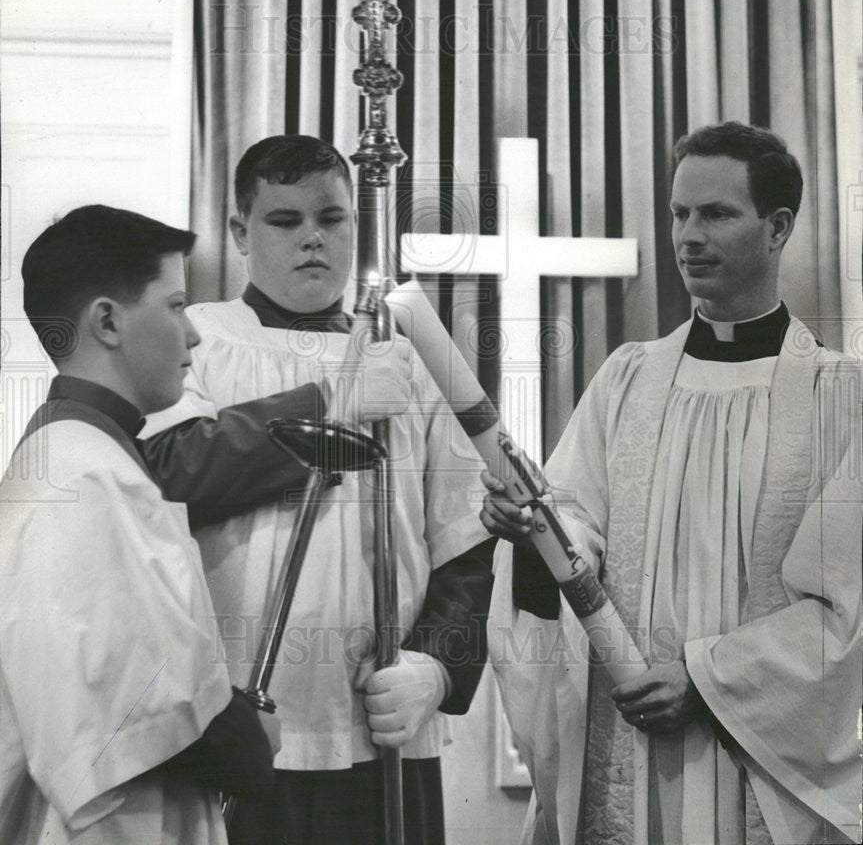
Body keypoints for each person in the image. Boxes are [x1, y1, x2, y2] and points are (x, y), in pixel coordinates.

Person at [482, 122, 862, 845]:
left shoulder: (838, 397)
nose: (687, 235)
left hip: (763, 755)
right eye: (678, 214)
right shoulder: (627, 379)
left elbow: (849, 610)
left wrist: (706, 679)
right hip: (628, 737)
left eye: (715, 214)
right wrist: (529, 528)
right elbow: (571, 525)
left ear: (777, 227)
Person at [140, 135, 495, 845]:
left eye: (331, 219)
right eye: (284, 220)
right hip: (240, 719)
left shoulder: (410, 358)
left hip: (381, 720)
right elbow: (172, 470)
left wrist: (436, 665)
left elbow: (464, 539)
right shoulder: (200, 339)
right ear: (240, 231)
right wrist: (325, 404)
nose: (312, 239)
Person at [0, 206, 274, 845]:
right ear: (107, 321)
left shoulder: (83, 455)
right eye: (176, 306)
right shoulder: (82, 475)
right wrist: (245, 735)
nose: (194, 335)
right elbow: (119, 716)